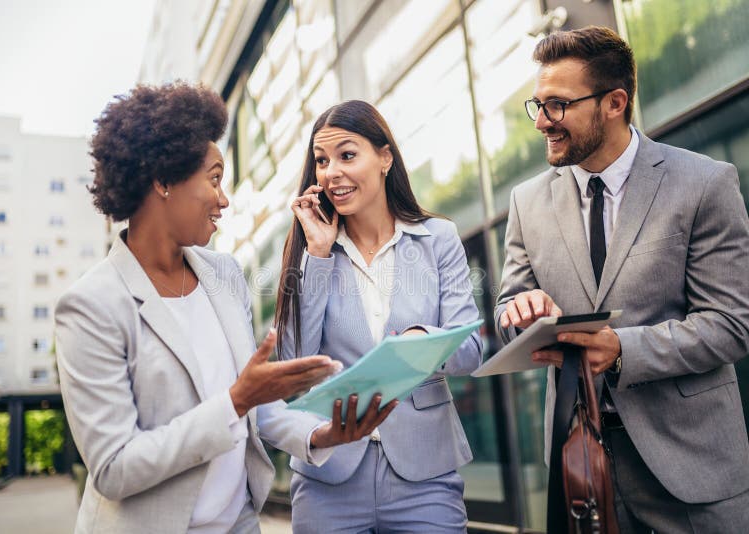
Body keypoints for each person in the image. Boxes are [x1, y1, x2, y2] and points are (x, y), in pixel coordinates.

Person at [55, 83, 396, 534]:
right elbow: (115, 468)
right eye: (214, 179)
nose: (223, 199)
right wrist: (236, 401)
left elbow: (257, 408)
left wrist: (321, 434)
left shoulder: (224, 275)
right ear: (163, 181)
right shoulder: (91, 306)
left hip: (239, 524)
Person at [495, 26, 749, 533]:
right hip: (582, 466)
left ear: (614, 102)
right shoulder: (526, 202)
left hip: (693, 466)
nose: (542, 122)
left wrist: (623, 350)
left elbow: (731, 324)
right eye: (538, 105)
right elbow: (508, 308)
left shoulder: (705, 183)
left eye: (557, 105)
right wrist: (520, 313)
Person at [275, 100, 483, 533]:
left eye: (347, 155)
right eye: (322, 161)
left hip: (425, 471)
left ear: (385, 158)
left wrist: (422, 339)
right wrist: (318, 255)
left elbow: (470, 350)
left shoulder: (437, 239)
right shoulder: (310, 250)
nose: (332, 172)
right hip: (328, 475)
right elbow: (294, 363)